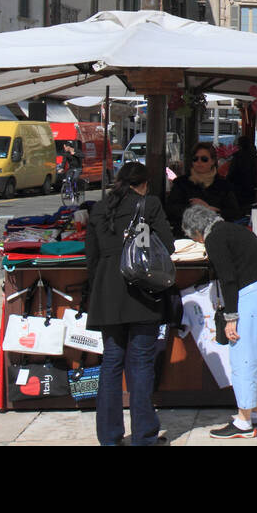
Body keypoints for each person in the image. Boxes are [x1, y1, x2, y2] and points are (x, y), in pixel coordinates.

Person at [85, 162, 175, 446]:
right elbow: (168, 246)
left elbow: (91, 255)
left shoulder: (100, 209)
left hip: (107, 293)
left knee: (111, 363)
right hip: (141, 292)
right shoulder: (149, 205)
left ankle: (109, 437)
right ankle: (144, 436)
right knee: (140, 363)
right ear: (144, 183)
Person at [180, 203, 257, 439]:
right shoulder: (239, 230)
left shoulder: (215, 239)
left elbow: (228, 279)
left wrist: (231, 317)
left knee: (244, 359)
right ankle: (256, 415)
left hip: (252, 298)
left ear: (197, 231)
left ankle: (244, 422)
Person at [167, 141, 242, 236]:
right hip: (186, 236)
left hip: (216, 235)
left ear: (213, 161)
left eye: (204, 159)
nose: (199, 162)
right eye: (195, 159)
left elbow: (234, 213)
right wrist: (195, 210)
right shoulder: (181, 183)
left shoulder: (224, 185)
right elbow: (170, 210)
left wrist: (209, 210)